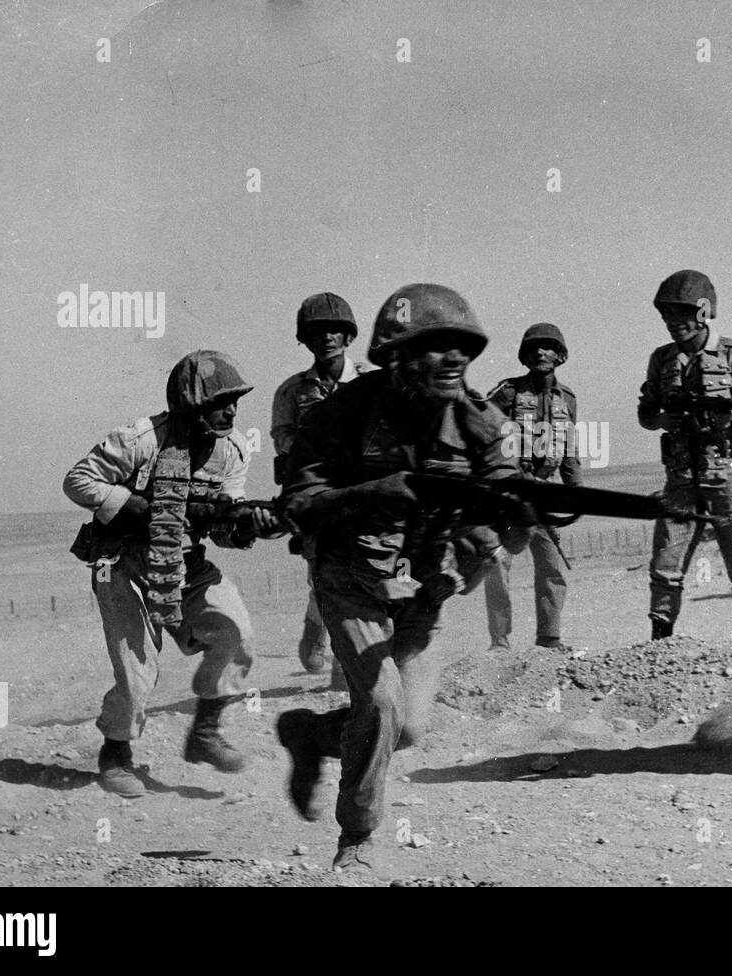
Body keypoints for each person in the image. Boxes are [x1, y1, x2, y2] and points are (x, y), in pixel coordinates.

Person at [274, 284, 532, 881]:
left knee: (406, 728)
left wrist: (502, 524)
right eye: (436, 349)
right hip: (351, 578)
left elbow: (506, 509)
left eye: (462, 350)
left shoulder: (479, 421)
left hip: (425, 588)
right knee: (382, 701)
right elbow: (301, 502)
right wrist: (376, 493)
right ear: (394, 355)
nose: (454, 362)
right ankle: (357, 838)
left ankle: (310, 734)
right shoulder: (341, 414)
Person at [64, 350, 282, 798]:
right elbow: (79, 480)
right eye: (220, 401)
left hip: (185, 561)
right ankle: (116, 753)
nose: (231, 410)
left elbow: (222, 519)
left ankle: (205, 733)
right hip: (122, 562)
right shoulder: (142, 438)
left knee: (234, 631)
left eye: (235, 400)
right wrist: (143, 510)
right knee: (137, 670)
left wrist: (242, 528)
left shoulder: (233, 449)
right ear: (190, 405)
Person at [637, 270, 732, 643]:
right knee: (666, 564)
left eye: (680, 315)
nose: (672, 323)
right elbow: (646, 414)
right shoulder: (662, 360)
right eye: (666, 316)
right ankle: (660, 638)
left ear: (703, 312)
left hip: (728, 472)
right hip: (680, 477)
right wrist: (663, 418)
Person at [271, 292, 367, 687]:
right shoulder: (292, 391)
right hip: (316, 496)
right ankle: (316, 622)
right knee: (324, 575)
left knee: (365, 575)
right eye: (317, 332)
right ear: (305, 340)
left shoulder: (369, 382)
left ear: (347, 337)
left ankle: (346, 670)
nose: (327, 337)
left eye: (335, 330)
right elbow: (281, 438)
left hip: (363, 493)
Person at [483, 322, 581, 652]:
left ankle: (549, 639)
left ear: (560, 355)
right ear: (526, 355)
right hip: (510, 493)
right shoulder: (507, 393)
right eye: (535, 347)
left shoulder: (566, 399)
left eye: (549, 347)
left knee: (552, 568)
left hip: (547, 492)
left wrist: (576, 490)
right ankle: (500, 642)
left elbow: (569, 448)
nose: (542, 352)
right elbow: (483, 433)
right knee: (498, 564)